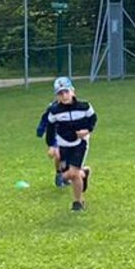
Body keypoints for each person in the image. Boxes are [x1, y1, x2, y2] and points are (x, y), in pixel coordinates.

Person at [37, 75, 97, 212]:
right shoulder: (54, 111)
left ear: (73, 91)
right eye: (60, 93)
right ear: (56, 96)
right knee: (70, 175)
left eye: (66, 91)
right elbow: (50, 129)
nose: (64, 95)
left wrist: (87, 130)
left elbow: (93, 119)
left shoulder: (84, 107)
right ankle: (84, 174)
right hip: (63, 145)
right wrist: (52, 146)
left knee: (72, 174)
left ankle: (78, 203)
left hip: (79, 144)